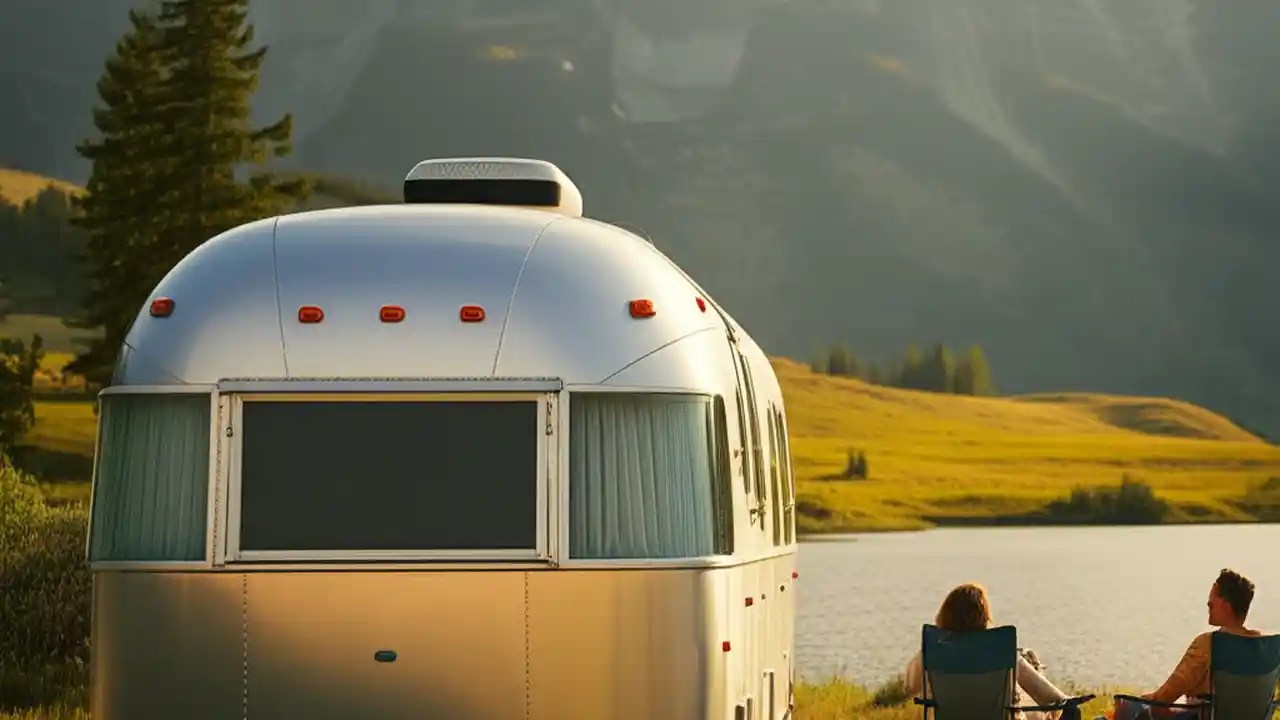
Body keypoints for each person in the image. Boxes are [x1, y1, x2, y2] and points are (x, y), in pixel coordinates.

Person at [1111, 568, 1262, 720]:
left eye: (1212, 603)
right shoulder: (1264, 646)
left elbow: (1164, 698)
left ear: (1226, 606)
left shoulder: (1209, 644)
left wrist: (1140, 701)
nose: (1207, 603)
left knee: (1129, 709)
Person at [905, 582, 1070, 720]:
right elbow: (1053, 699)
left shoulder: (933, 650)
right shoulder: (1002, 649)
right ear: (984, 616)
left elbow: (910, 687)